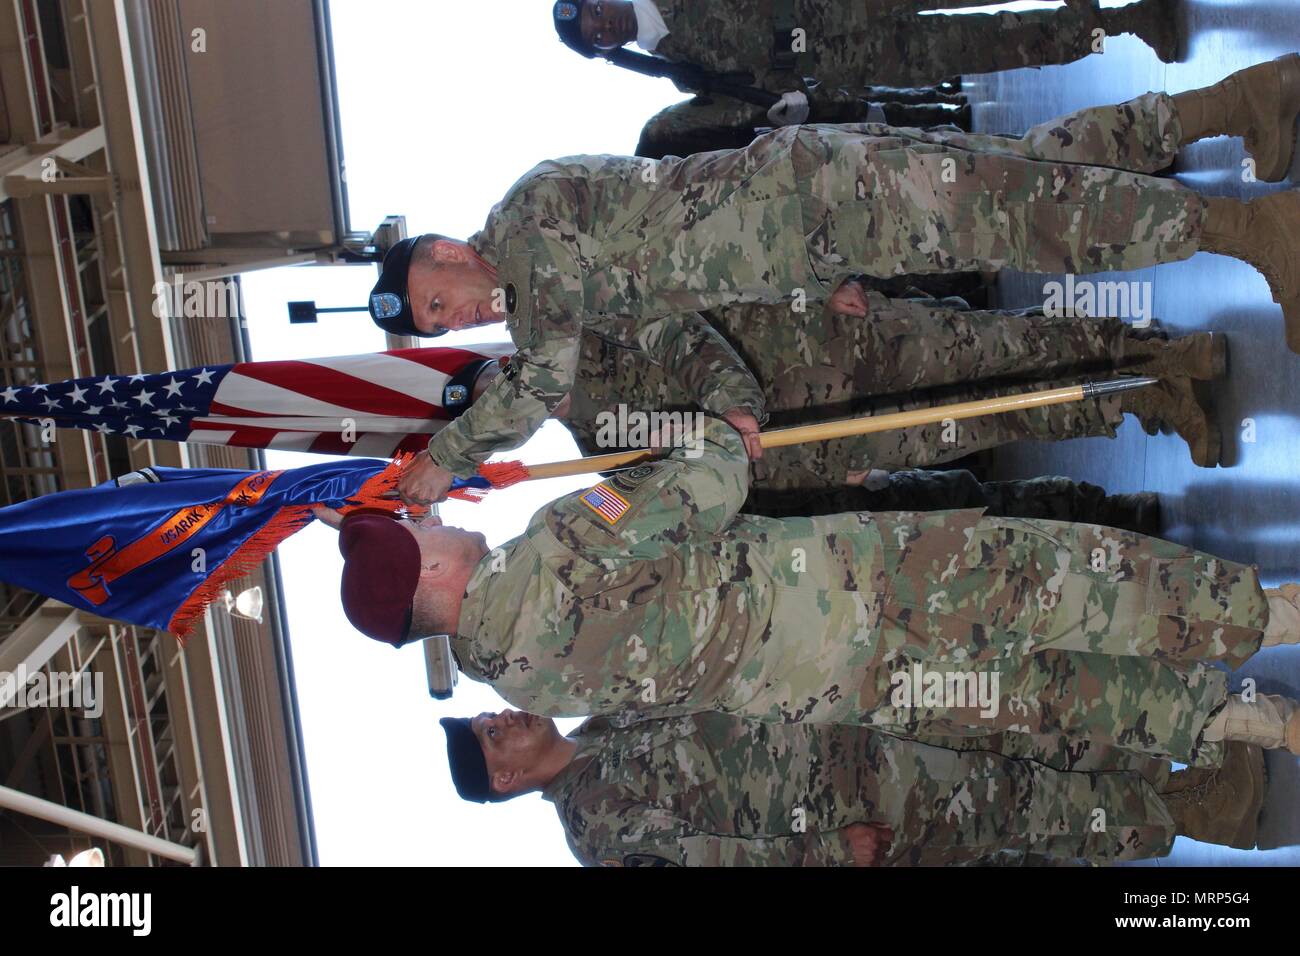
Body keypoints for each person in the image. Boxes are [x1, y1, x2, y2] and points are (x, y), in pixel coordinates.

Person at [365, 57, 1300, 505]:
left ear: (447, 251)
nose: (462, 315)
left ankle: (1258, 229)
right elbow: (678, 316)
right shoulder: (541, 296)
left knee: (1042, 215)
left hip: (822, 196)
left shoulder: (527, 223)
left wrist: (444, 463)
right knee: (1037, 171)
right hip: (813, 228)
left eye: (442, 300)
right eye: (441, 324)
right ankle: (1246, 104)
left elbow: (545, 374)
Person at [326, 417, 1300, 768]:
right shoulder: (550, 547)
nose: (432, 517)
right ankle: (1272, 616)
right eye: (415, 530)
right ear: (428, 573)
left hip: (844, 684)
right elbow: (703, 487)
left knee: (1050, 693)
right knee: (1084, 586)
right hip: (862, 585)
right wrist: (718, 435)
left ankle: (1244, 721)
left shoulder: (527, 674)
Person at [437, 708, 1267, 866]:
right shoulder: (596, 830)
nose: (500, 718)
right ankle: (1203, 812)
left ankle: (1180, 765)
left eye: (486, 716)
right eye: (489, 737)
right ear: (506, 780)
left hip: (858, 734)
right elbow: (712, 862)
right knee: (1030, 808)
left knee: (1029, 741)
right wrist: (824, 853)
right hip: (857, 809)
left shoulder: (602, 726)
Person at [553, 0, 1179, 94]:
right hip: (853, 59)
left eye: (597, 14)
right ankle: (1125, 22)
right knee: (992, 47)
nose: (604, 28)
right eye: (595, 39)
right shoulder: (675, 70)